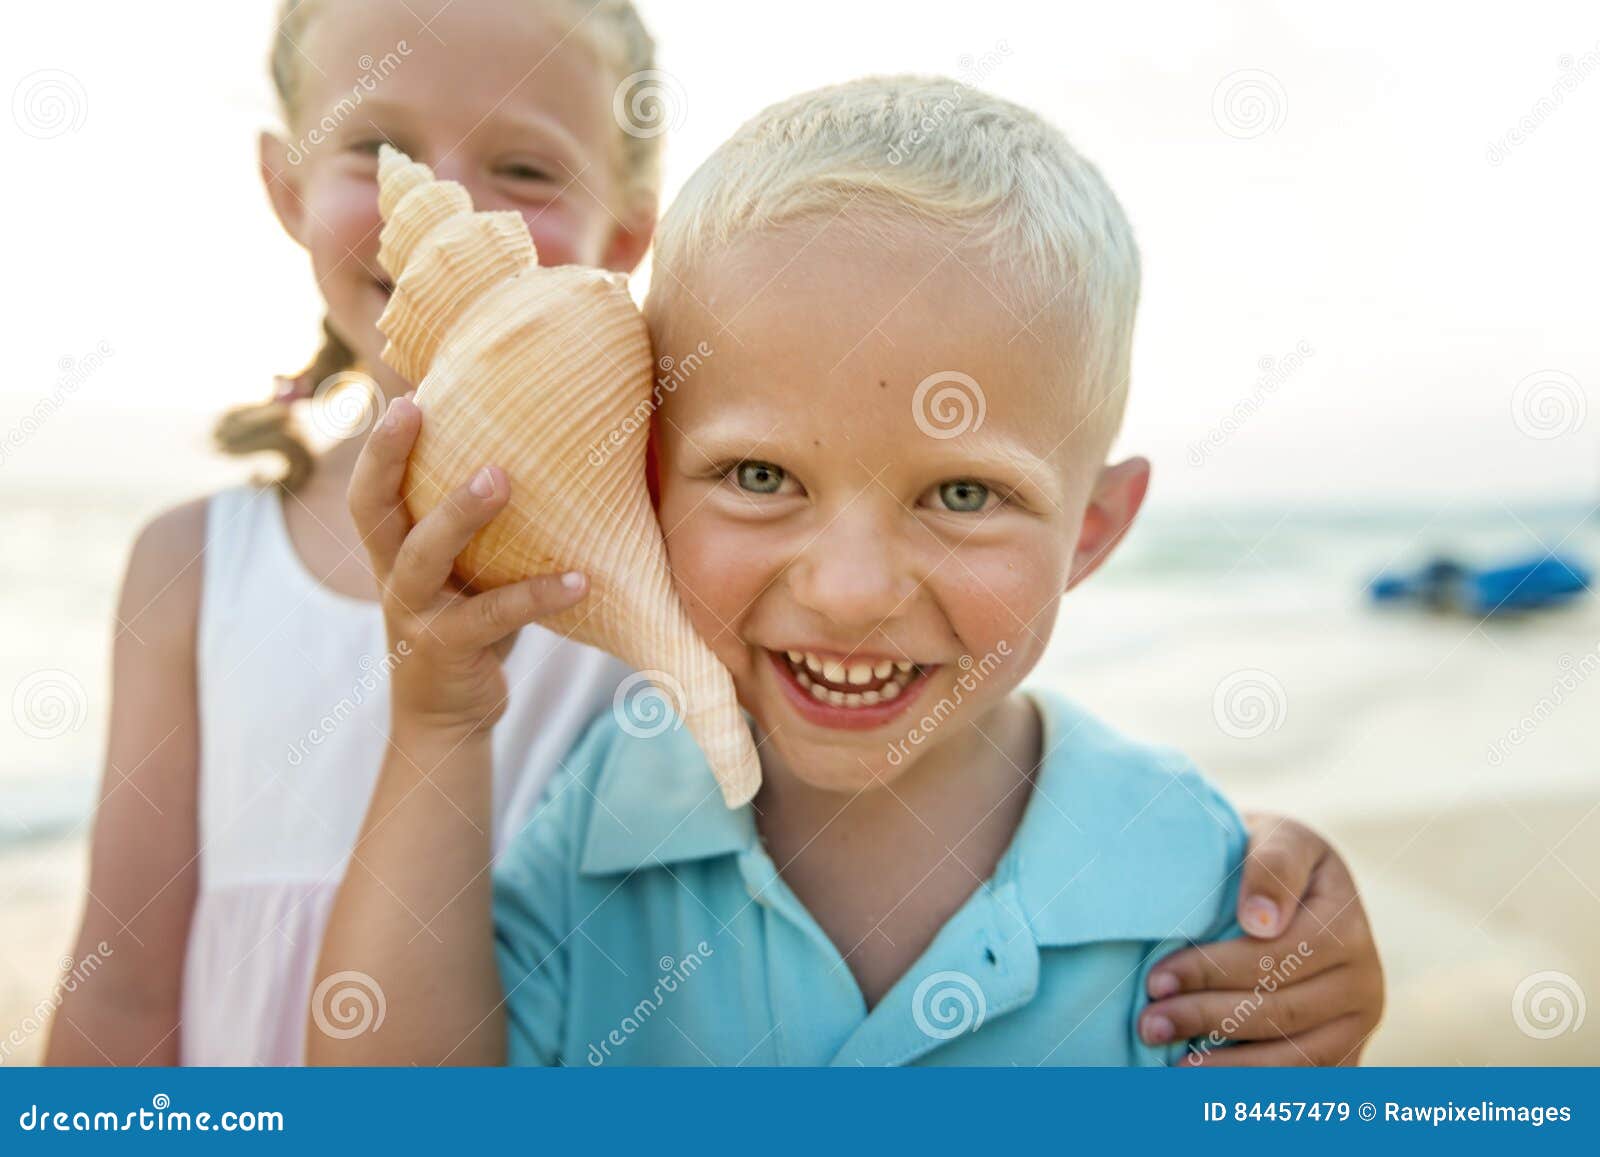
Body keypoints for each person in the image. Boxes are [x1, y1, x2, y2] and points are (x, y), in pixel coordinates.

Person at [309, 77, 1383, 1065]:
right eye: (760, 473)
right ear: (645, 478)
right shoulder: (613, 806)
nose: (850, 589)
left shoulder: (1185, 873)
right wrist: (439, 726)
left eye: (962, 493)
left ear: (1094, 527)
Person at [46, 0, 657, 1065]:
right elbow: (120, 1000)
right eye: (379, 150)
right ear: (286, 188)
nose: (445, 207)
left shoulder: (665, 557)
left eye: (523, 169)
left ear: (627, 232)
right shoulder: (194, 567)